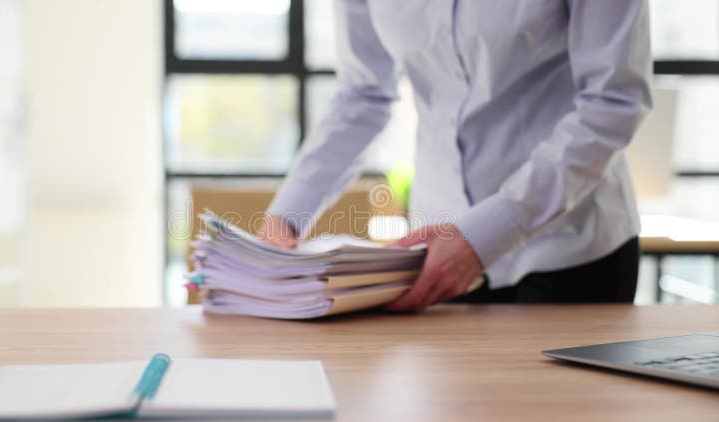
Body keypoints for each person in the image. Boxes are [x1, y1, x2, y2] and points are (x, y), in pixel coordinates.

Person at [258, 0, 652, 311]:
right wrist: (283, 222)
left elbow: (613, 101)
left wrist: (485, 233)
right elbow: (362, 94)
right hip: (435, 252)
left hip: (569, 244)